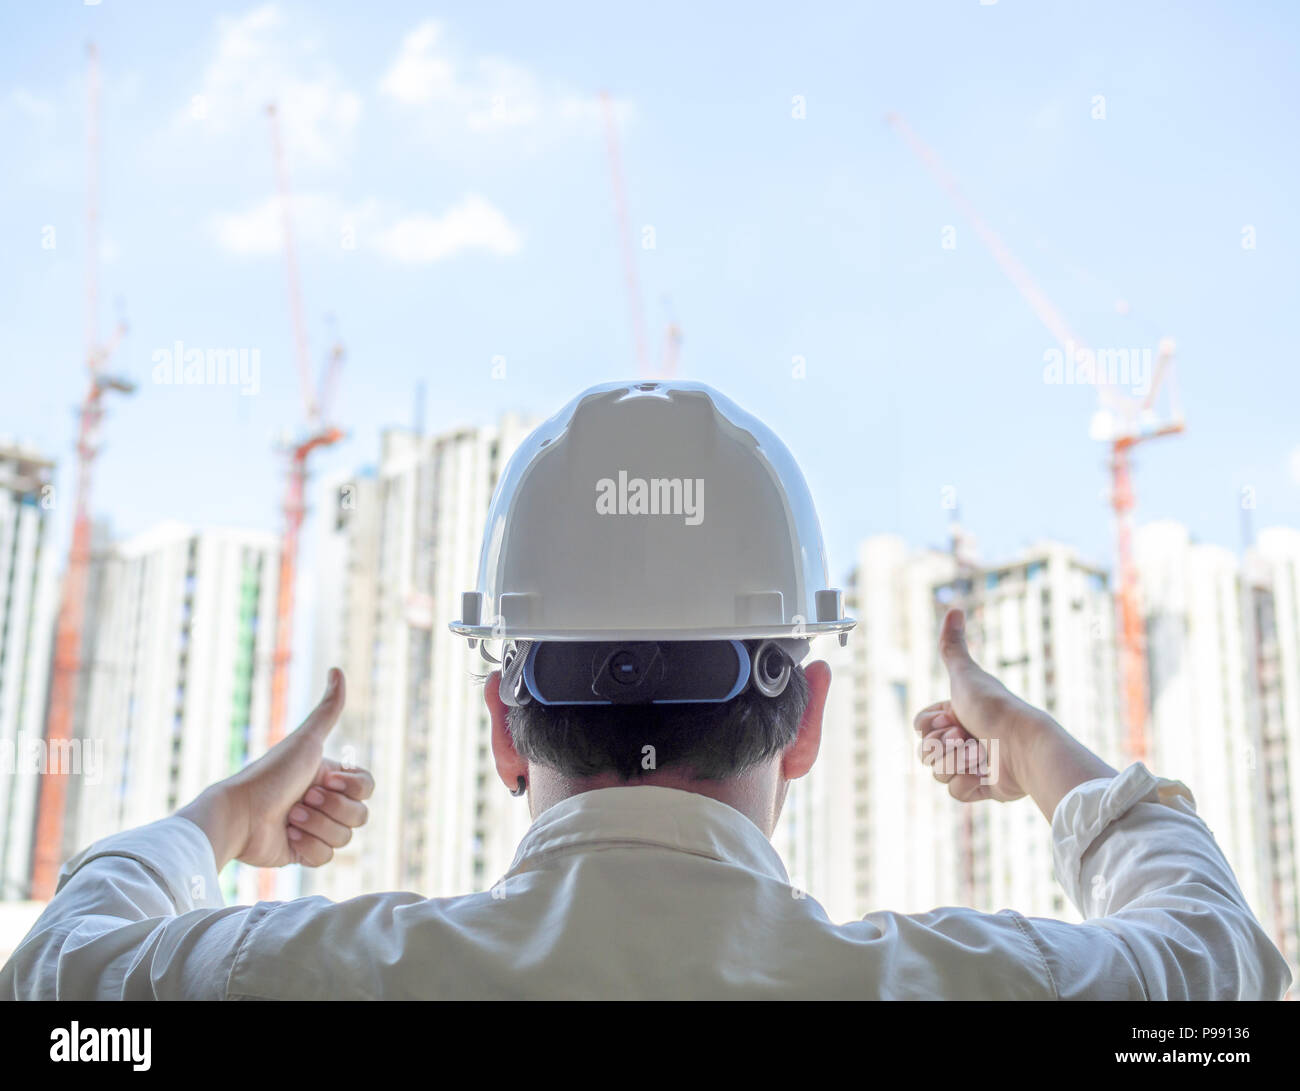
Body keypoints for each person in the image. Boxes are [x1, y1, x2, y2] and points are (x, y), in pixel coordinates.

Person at [1, 381, 1289, 1000]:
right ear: (809, 723)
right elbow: (1222, 972)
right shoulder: (957, 992)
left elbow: (57, 986)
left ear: (502, 725)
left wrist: (222, 823)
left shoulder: (313, 980)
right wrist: (1036, 750)